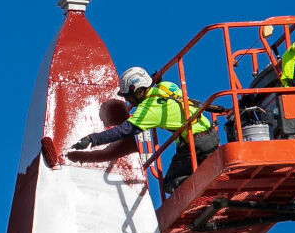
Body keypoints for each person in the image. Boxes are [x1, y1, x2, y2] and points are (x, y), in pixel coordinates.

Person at [70, 66, 219, 197]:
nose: (129, 102)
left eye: (129, 97)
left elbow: (123, 131)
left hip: (195, 144)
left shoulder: (148, 109)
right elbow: (162, 90)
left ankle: (206, 196)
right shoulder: (167, 86)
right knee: (196, 170)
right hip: (211, 136)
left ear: (139, 91)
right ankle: (211, 185)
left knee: (171, 183)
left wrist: (92, 139)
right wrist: (157, 80)